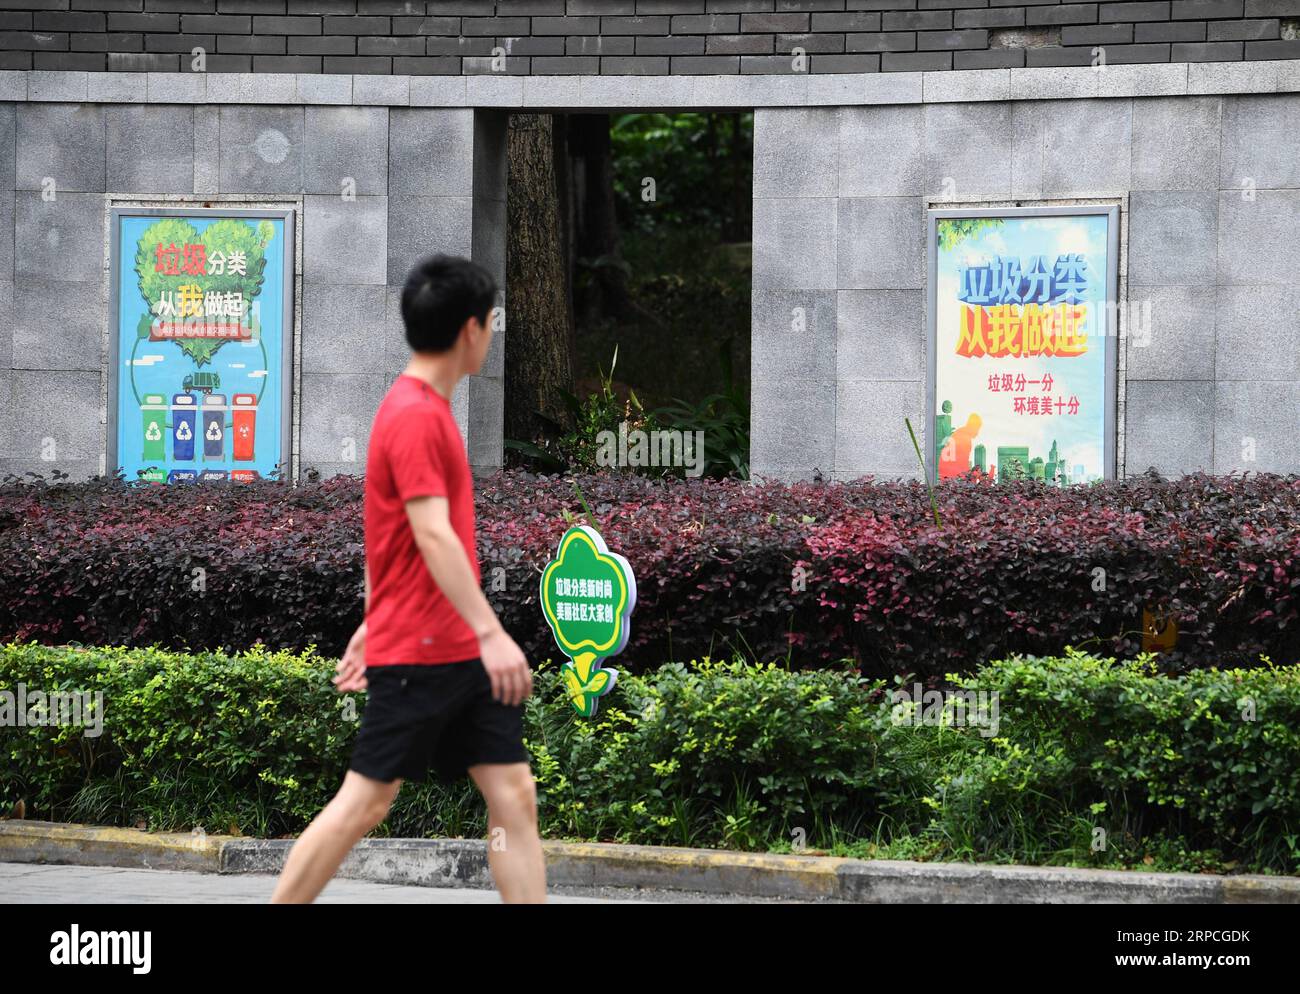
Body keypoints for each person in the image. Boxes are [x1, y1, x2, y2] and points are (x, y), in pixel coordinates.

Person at [271, 255, 544, 904]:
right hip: (426, 653)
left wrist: (372, 619)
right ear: (470, 330)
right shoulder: (417, 414)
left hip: (456, 652)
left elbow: (385, 537)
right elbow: (428, 533)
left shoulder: (421, 408)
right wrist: (492, 632)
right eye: (492, 321)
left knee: (514, 795)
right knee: (365, 802)